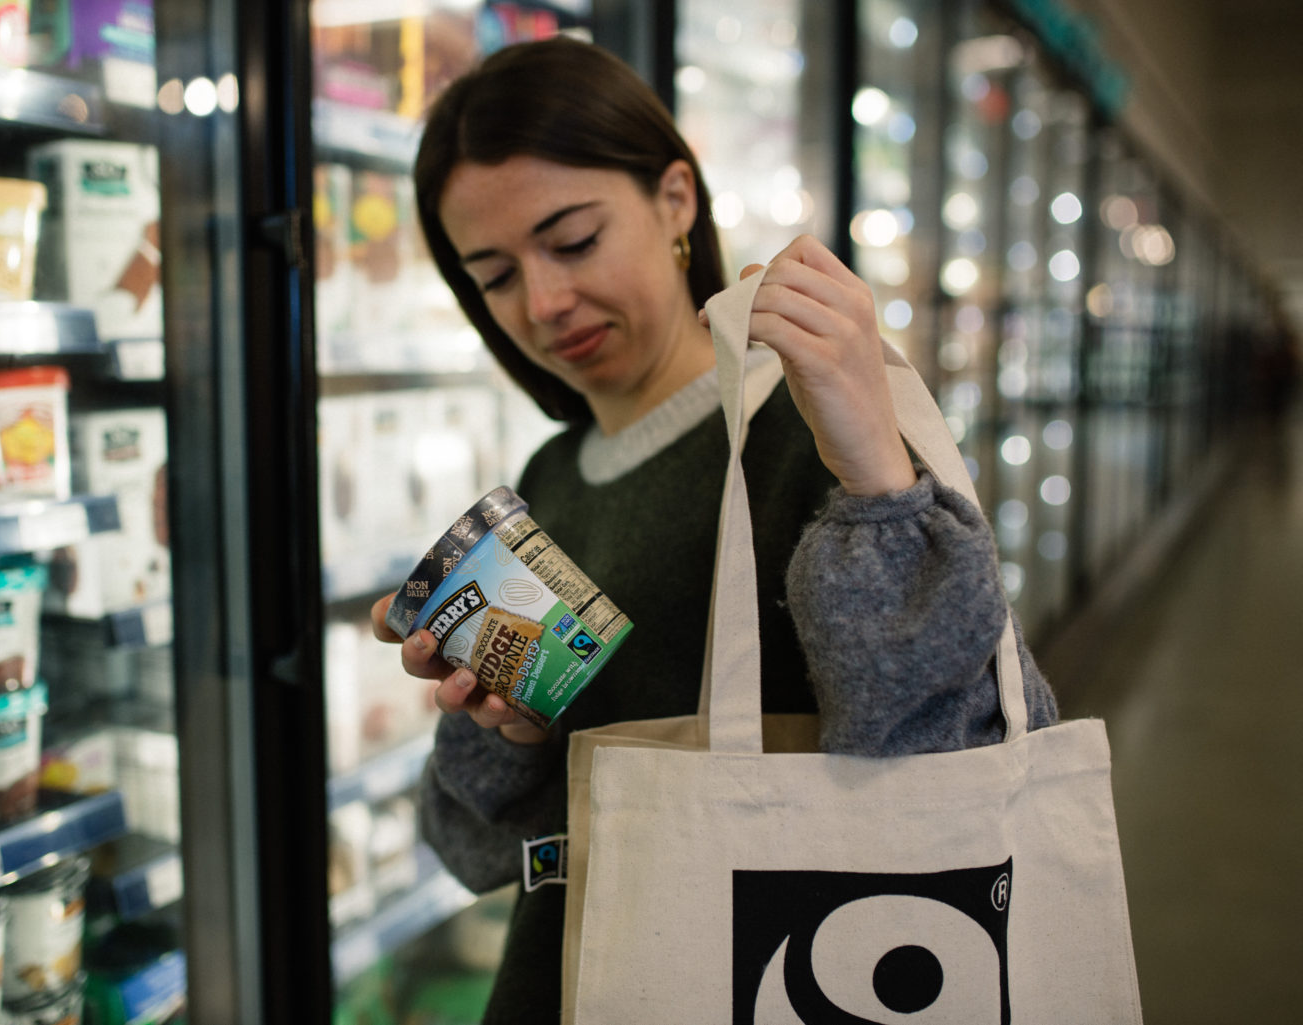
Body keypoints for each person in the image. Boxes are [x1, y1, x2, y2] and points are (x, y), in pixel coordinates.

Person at [368, 35, 1057, 1022]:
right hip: (574, 973)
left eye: (572, 239)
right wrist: (512, 734)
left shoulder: (806, 422)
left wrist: (876, 475)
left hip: (793, 970)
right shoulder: (549, 480)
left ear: (675, 200)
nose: (545, 301)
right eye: (496, 275)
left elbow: (962, 769)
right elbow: (483, 855)